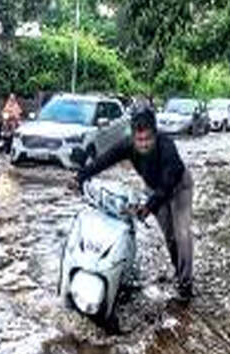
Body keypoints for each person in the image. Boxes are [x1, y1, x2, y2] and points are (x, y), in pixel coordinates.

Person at [75, 107, 194, 299]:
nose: (144, 144)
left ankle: (186, 286)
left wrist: (149, 206)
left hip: (179, 187)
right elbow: (105, 160)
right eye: (139, 140)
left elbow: (168, 183)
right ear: (133, 136)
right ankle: (177, 270)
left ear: (155, 135)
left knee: (182, 233)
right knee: (170, 236)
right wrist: (81, 176)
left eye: (148, 139)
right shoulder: (127, 145)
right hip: (154, 189)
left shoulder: (167, 146)